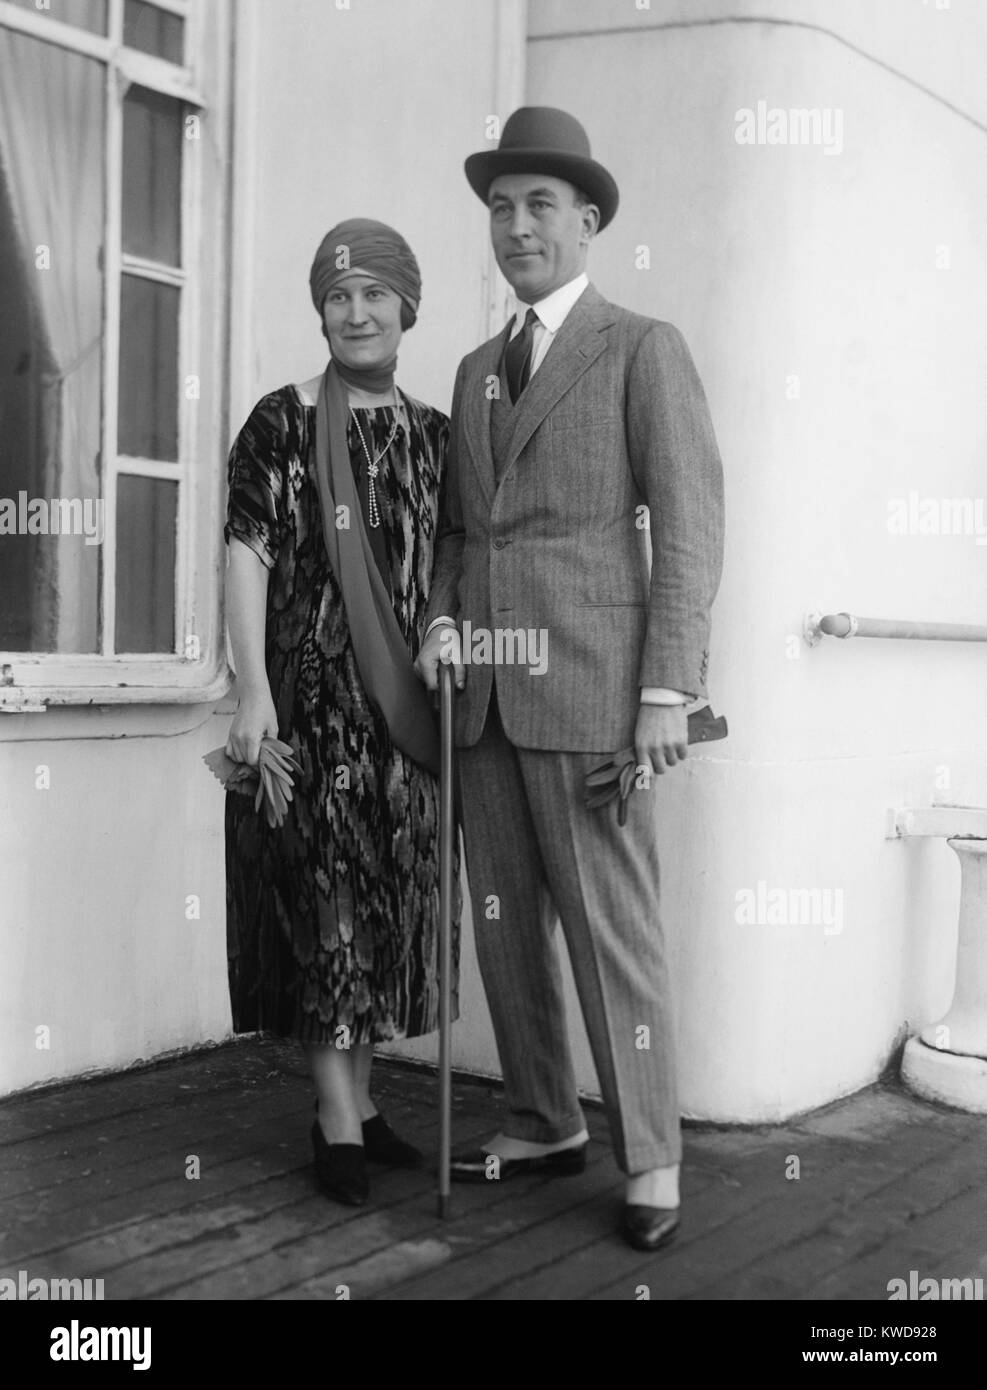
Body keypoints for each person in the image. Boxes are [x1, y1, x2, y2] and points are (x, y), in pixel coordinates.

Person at [416, 108, 724, 1251]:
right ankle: (544, 1117)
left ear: (589, 221)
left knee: (612, 932)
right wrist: (443, 624)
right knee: (505, 924)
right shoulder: (470, 369)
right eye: (501, 207)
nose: (517, 226)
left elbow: (690, 528)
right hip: (485, 694)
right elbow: (459, 534)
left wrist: (665, 692)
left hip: (595, 690)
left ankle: (651, 1151)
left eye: (541, 205)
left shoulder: (642, 347)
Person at [224, 218, 459, 1208]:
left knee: (386, 904)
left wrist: (451, 632)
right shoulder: (281, 422)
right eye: (336, 295)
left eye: (373, 294)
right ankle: (331, 1116)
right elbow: (246, 552)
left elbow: (451, 569)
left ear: (408, 305)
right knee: (326, 912)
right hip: (310, 711)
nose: (355, 312)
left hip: (401, 715)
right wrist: (254, 692)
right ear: (319, 308)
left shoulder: (437, 437)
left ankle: (361, 1105)